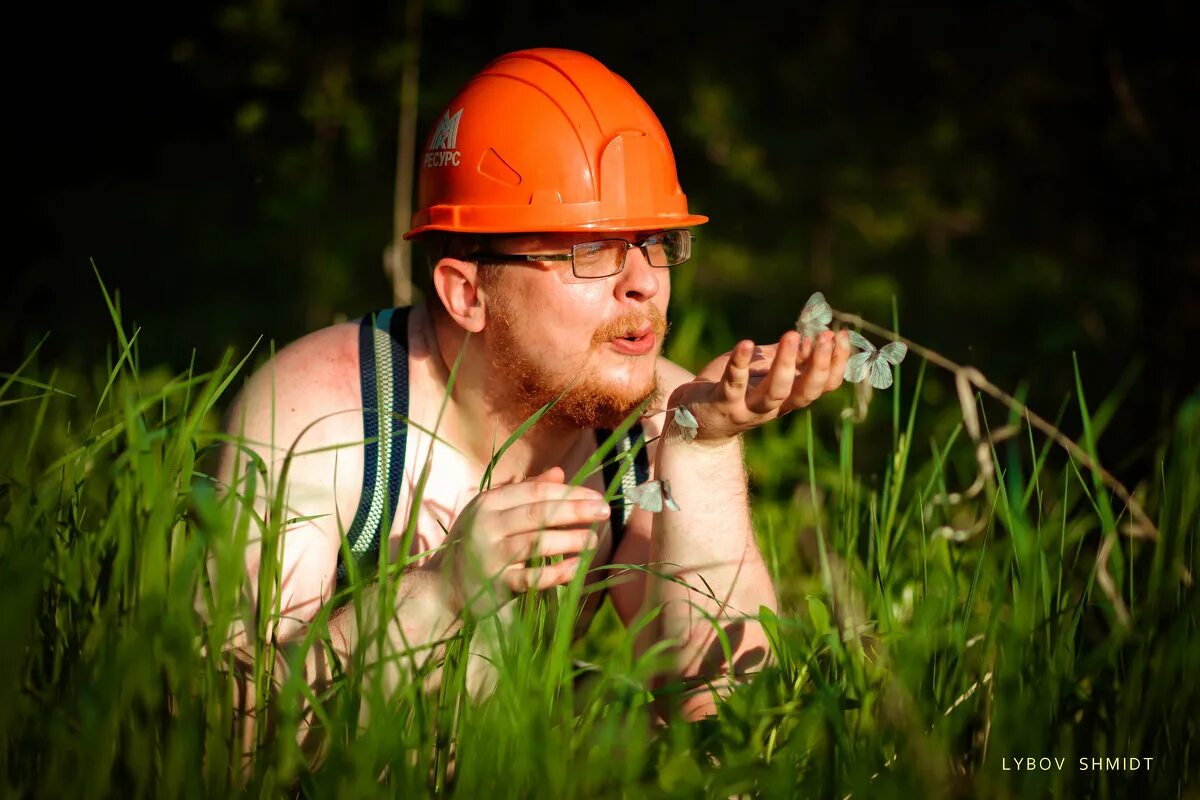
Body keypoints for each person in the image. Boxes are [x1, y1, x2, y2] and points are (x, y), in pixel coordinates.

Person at [216, 48, 851, 723]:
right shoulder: (326, 417)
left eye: (652, 242)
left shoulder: (655, 416)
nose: (644, 281)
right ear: (466, 294)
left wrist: (703, 449)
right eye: (588, 251)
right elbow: (228, 732)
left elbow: (732, 723)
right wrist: (439, 594)